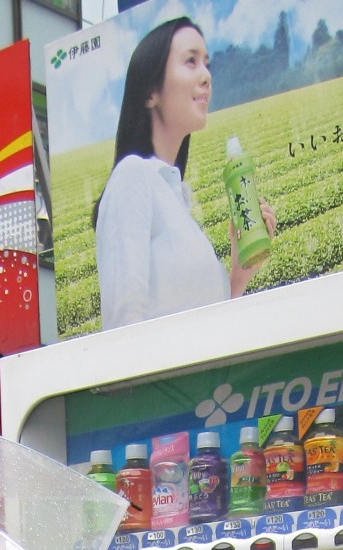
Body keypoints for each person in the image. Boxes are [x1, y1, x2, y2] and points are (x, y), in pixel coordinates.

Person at [94, 16, 275, 329]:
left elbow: (202, 331)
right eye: (190, 61)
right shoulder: (132, 177)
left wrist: (236, 277)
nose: (206, 76)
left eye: (207, 64)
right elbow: (122, 332)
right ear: (150, 92)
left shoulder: (176, 199)